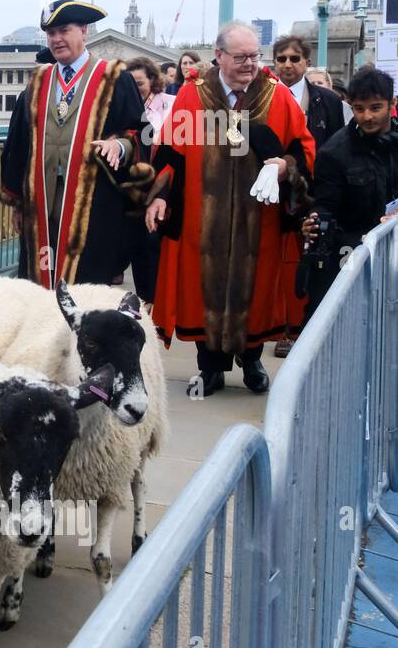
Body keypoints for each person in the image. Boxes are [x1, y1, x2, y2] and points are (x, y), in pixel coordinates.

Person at [146, 22, 315, 396]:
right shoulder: (193, 97)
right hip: (201, 222)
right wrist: (159, 195)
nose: (250, 64)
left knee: (254, 292)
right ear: (219, 56)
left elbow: (303, 149)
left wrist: (285, 167)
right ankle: (209, 369)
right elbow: (170, 153)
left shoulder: (277, 97)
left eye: (254, 56)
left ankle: (251, 360)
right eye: (240, 57)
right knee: (202, 290)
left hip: (261, 222)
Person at [0, 0, 147, 288]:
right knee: (40, 281)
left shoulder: (114, 77)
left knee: (86, 288)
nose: (56, 39)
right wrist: (16, 200)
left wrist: (119, 147)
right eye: (51, 33)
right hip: (41, 203)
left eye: (63, 30)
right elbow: (17, 143)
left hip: (92, 205)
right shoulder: (39, 81)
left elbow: (140, 133)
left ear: (84, 30)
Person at [300, 66, 398, 322]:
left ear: (392, 104)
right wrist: (314, 224)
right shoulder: (334, 153)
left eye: (375, 108)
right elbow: (325, 207)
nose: (367, 116)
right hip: (353, 259)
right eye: (358, 108)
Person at [269, 35, 346, 356]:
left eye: (294, 58)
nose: (288, 64)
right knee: (277, 264)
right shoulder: (262, 98)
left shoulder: (326, 101)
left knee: (311, 260)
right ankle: (282, 328)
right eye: (282, 58)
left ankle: (304, 326)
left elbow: (338, 147)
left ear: (306, 62)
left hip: (315, 194)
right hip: (272, 194)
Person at [121, 57, 173, 303]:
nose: (135, 87)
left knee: (156, 243)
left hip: (164, 186)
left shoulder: (170, 105)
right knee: (138, 245)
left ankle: (160, 299)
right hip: (134, 190)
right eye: (130, 82)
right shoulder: (122, 106)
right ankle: (146, 300)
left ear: (152, 81)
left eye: (140, 82)